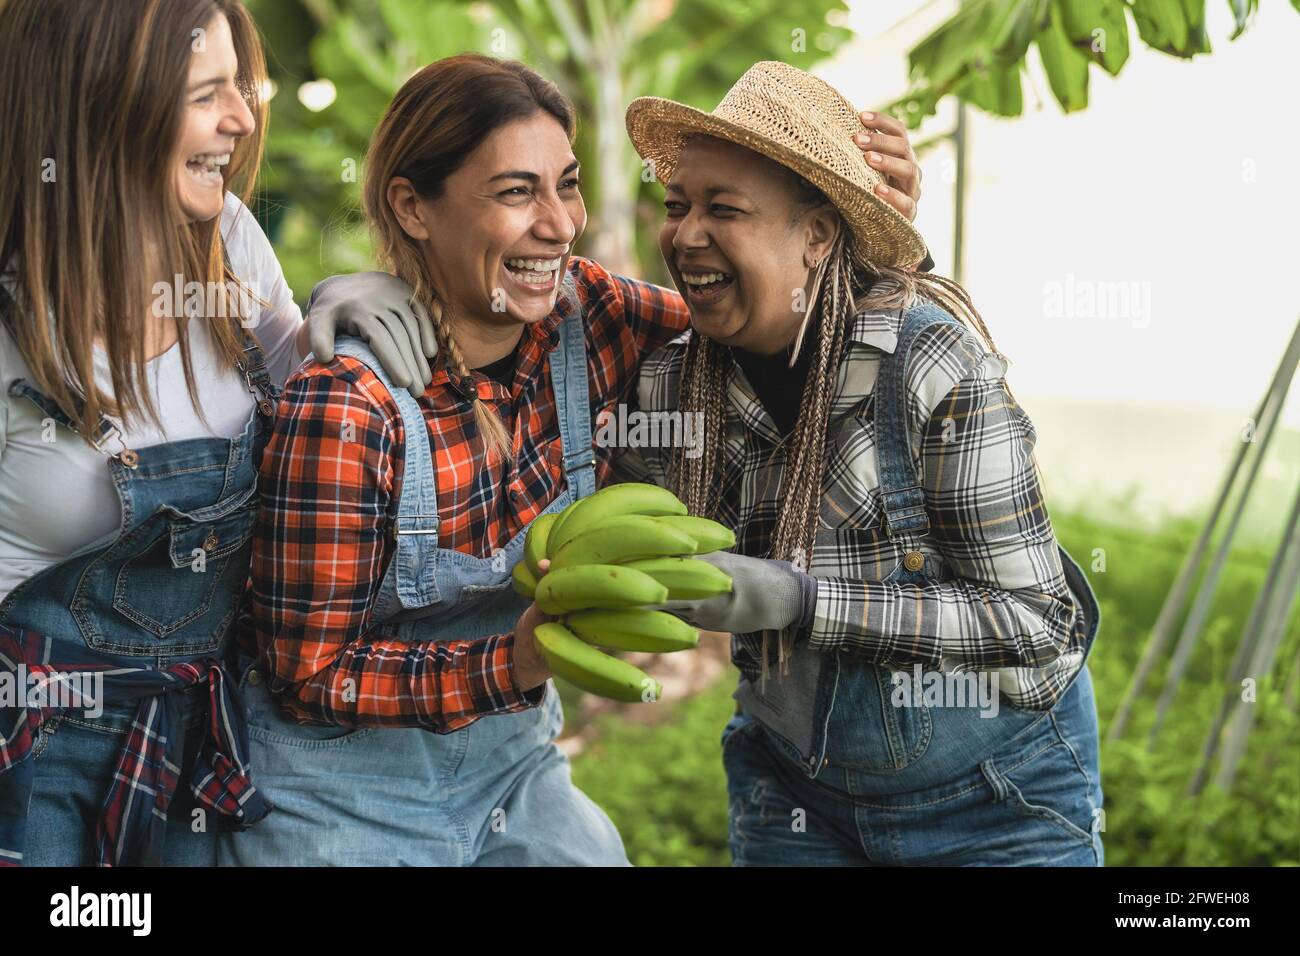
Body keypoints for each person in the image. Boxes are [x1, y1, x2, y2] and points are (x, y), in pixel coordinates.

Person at [219, 53, 929, 866]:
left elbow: (773, 329)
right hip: (337, 794)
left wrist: (870, 249)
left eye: (567, 183)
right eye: (516, 192)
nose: (558, 223)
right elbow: (306, 676)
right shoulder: (347, 408)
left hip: (514, 771)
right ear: (412, 206)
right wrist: (513, 661)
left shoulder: (589, 317)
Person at [618, 60, 1105, 866]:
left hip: (996, 797)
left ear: (816, 235)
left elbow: (1035, 619)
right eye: (678, 206)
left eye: (724, 209)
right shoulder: (672, 383)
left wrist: (799, 602)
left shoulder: (927, 362)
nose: (686, 233)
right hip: (795, 792)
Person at [0, 0, 430, 867]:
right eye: (207, 94)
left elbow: (318, 428)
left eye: (240, 86)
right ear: (99, 105)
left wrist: (339, 312)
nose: (241, 118)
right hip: (32, 765)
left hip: (202, 748)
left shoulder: (227, 243)